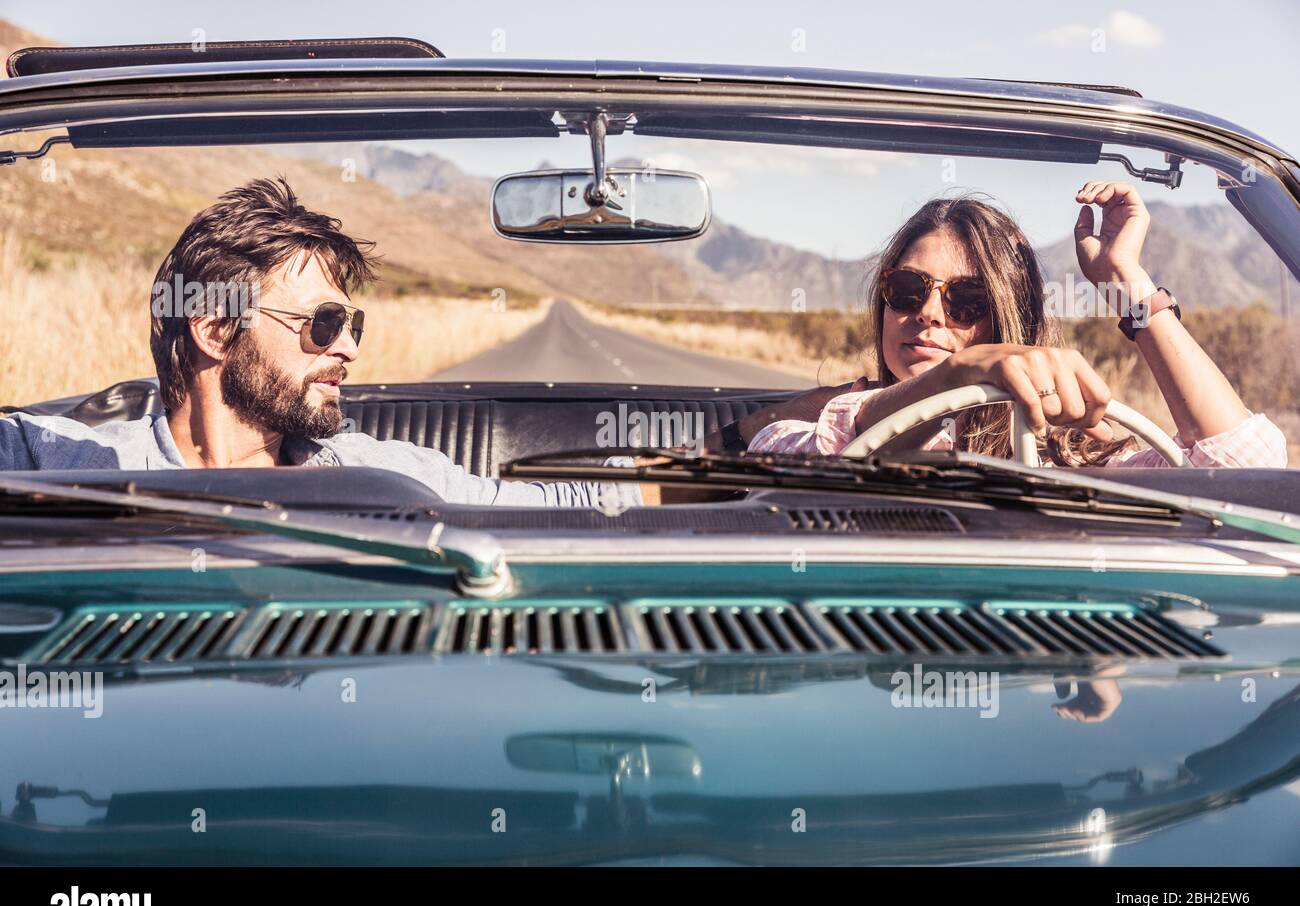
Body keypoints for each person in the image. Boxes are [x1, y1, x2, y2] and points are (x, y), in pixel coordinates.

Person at [0, 177, 637, 507]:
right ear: (217, 330)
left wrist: (726, 453)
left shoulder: (374, 472)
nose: (349, 350)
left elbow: (560, 506)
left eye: (351, 326)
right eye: (324, 324)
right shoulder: (60, 465)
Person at [735, 182, 1287, 468]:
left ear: (1008, 321)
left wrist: (1127, 282)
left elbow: (1242, 462)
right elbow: (788, 459)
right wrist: (957, 375)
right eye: (906, 290)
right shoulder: (820, 430)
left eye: (966, 300)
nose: (927, 314)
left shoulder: (1071, 456)